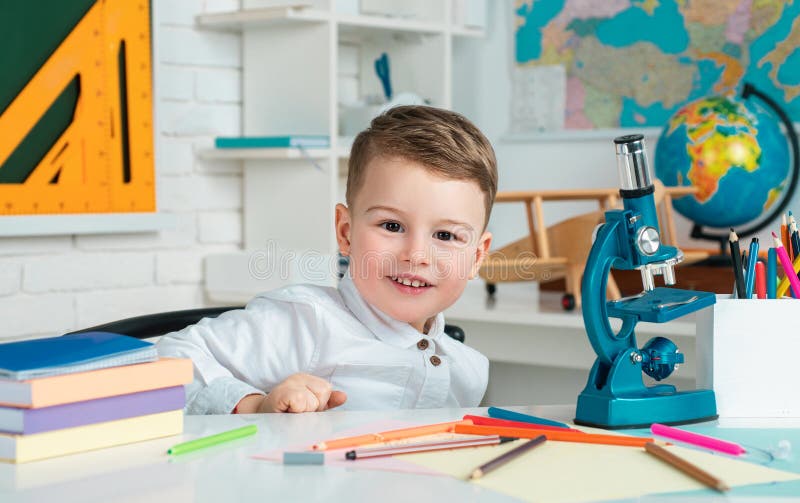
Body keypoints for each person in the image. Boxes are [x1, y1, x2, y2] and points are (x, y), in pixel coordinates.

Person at [156, 105, 498, 414]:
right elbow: (168, 359)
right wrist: (254, 405)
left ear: (476, 257)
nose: (417, 255)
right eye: (392, 226)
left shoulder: (468, 372)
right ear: (346, 232)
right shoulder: (306, 323)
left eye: (446, 235)